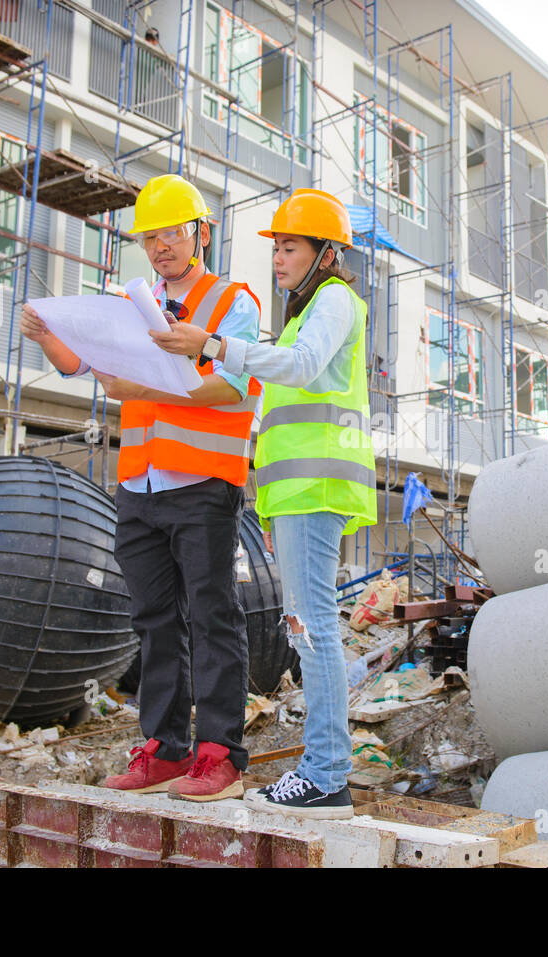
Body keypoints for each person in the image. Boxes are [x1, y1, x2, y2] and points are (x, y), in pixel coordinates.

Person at [20, 173, 261, 802]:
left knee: (213, 617)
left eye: (171, 233)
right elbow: (83, 365)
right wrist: (47, 333)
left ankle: (220, 755)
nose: (160, 247)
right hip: (140, 483)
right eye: (150, 238)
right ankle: (164, 750)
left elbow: (236, 389)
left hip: (205, 481)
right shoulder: (133, 303)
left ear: (199, 234)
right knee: (154, 620)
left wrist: (149, 388)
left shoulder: (232, 301)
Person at [150, 188, 376, 819]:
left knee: (313, 626)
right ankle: (324, 770)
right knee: (309, 624)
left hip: (315, 488)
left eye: (290, 246)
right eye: (275, 247)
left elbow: (301, 369)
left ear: (325, 253)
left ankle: (327, 774)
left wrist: (214, 345)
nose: (278, 258)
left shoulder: (334, 300)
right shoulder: (307, 311)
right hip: (296, 491)